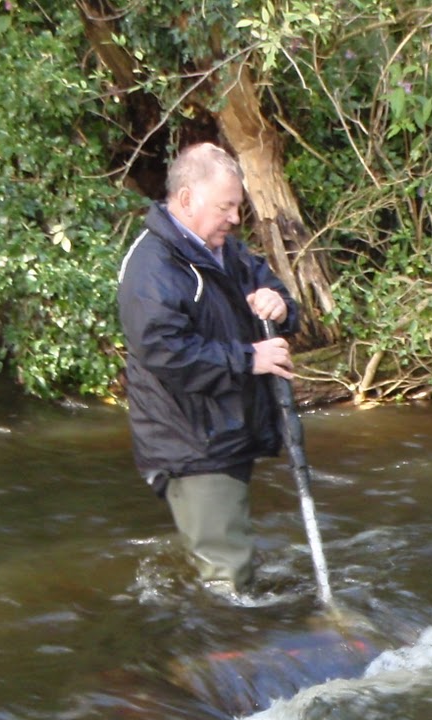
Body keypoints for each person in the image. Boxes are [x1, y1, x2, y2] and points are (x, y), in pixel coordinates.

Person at [117, 142, 299, 591]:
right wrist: (248, 359)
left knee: (231, 557)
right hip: (191, 442)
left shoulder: (224, 251)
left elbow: (270, 289)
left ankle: (229, 631)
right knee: (228, 577)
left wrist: (279, 305)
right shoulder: (151, 269)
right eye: (227, 207)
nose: (236, 218)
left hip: (229, 430)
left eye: (237, 206)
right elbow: (166, 353)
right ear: (186, 200)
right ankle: (226, 653)